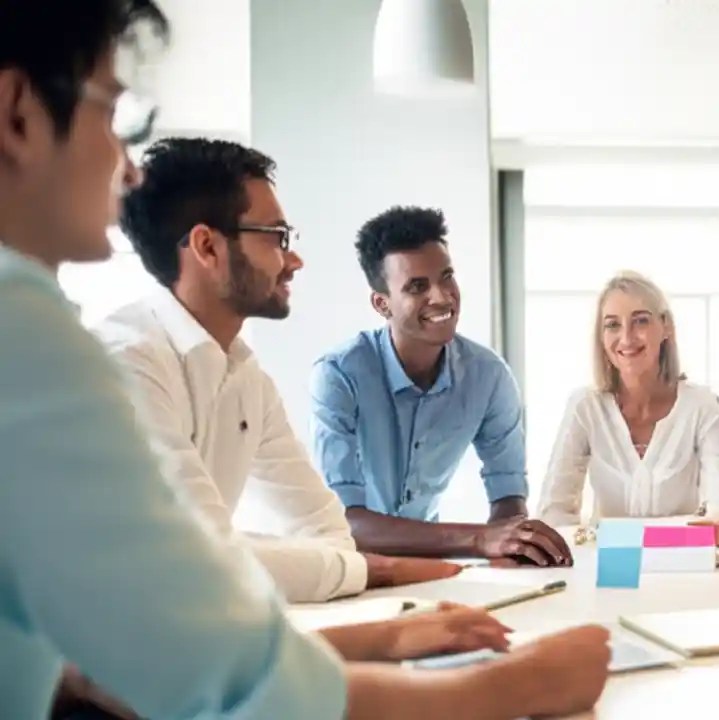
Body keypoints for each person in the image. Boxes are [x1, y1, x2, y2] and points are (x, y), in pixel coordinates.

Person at [0, 1, 609, 718]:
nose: (127, 169)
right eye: (112, 113)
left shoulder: (239, 372)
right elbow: (216, 639)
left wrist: (381, 621)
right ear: (18, 114)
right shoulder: (52, 338)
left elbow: (278, 562)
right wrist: (515, 686)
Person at [96, 137, 460, 603]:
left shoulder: (245, 375)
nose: (294, 261)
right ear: (207, 246)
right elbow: (202, 560)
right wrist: (376, 571)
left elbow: (326, 533)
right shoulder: (125, 365)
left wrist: (347, 568)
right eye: (277, 237)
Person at [312, 206, 572, 567]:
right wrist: (479, 539)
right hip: (345, 568)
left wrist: (513, 547)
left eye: (446, 277)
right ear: (382, 303)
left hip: (427, 566)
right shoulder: (339, 376)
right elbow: (343, 523)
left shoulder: (489, 376)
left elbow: (508, 496)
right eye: (417, 286)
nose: (442, 297)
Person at [537, 271, 719, 526]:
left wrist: (713, 523)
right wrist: (579, 544)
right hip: (604, 552)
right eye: (612, 325)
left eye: (641, 321)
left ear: (665, 326)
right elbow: (553, 511)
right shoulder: (585, 407)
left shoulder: (702, 405)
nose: (626, 338)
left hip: (681, 550)